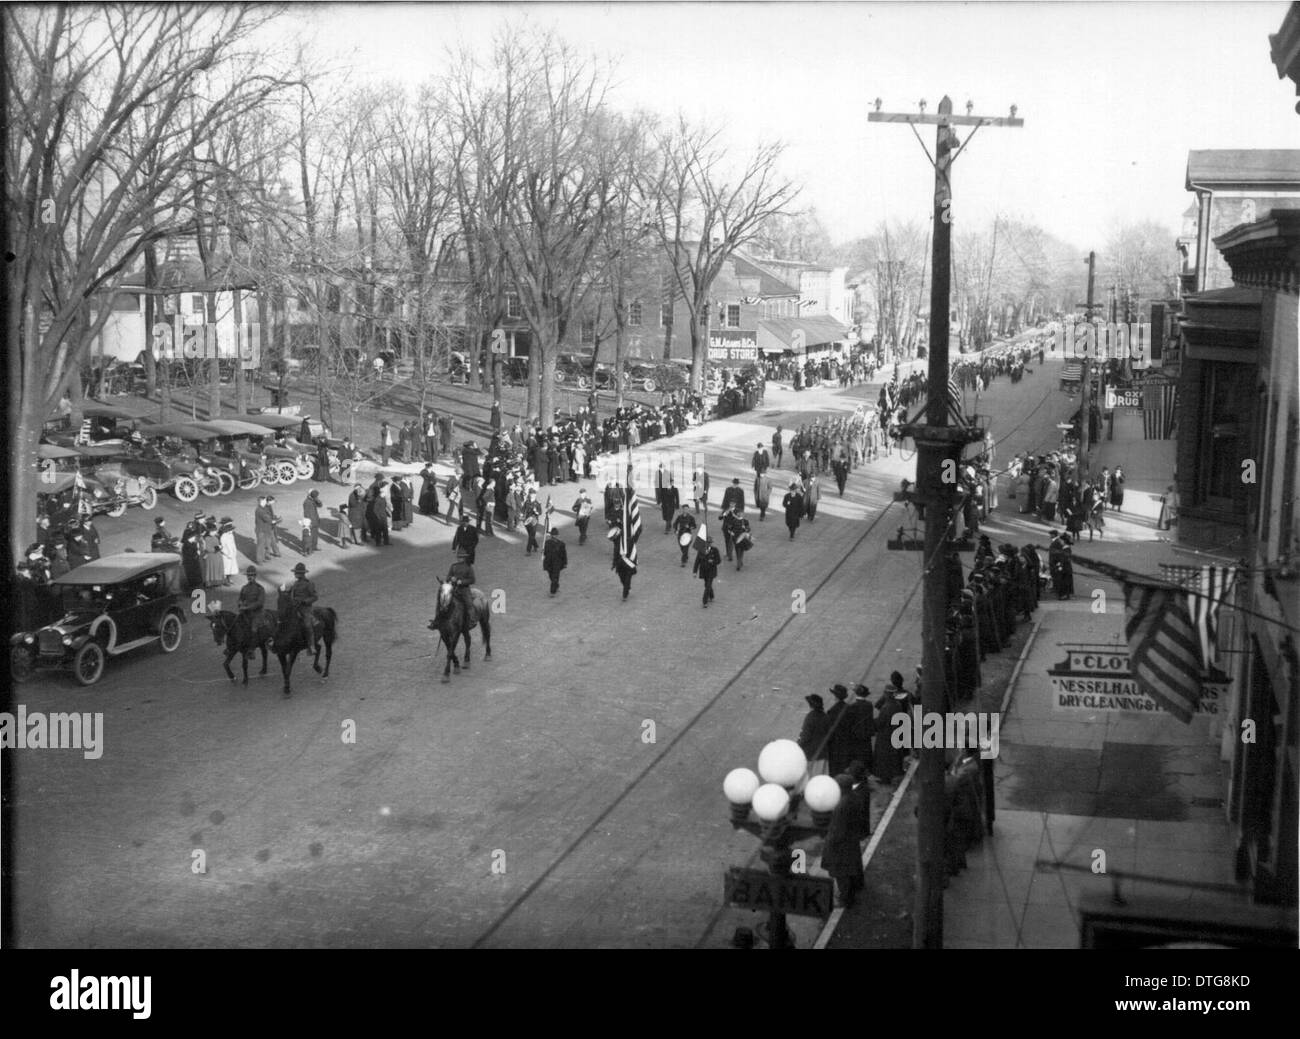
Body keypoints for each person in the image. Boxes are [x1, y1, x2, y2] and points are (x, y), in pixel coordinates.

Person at [821, 772, 866, 908]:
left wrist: (829, 843)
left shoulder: (842, 806)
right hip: (852, 841)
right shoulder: (855, 797)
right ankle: (852, 891)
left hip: (841, 845)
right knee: (851, 869)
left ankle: (845, 899)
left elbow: (837, 831)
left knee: (841, 872)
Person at [287, 562, 319, 655]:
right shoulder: (295, 584)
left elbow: (315, 597)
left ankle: (311, 646)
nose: (295, 574)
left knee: (307, 625)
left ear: (302, 574)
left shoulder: (309, 584)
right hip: (294, 607)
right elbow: (292, 594)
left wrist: (305, 601)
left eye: (297, 572)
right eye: (295, 572)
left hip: (305, 608)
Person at [797, 694, 831, 777]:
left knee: (811, 777)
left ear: (810, 705)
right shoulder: (825, 717)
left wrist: (797, 745)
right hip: (823, 753)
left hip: (811, 754)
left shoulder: (810, 717)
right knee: (822, 777)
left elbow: (805, 737)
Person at [447, 549, 477, 618]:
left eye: (461, 557)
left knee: (469, 603)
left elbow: (472, 580)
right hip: (453, 588)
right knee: (444, 601)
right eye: (458, 557)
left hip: (464, 589)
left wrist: (462, 582)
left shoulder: (468, 567)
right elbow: (448, 577)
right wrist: (451, 579)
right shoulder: (453, 566)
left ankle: (472, 618)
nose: (459, 559)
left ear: (464, 558)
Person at [609, 521, 636, 599]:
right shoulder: (617, 544)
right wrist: (614, 564)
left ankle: (625, 594)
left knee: (627, 578)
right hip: (620, 563)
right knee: (621, 578)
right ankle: (627, 588)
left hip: (628, 562)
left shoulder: (627, 539)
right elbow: (615, 554)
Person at [237, 565, 266, 635]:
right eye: (248, 575)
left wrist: (247, 607)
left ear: (255, 576)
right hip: (245, 613)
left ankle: (254, 643)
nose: (249, 577)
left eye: (252, 575)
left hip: (256, 613)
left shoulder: (260, 588)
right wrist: (240, 603)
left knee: (254, 629)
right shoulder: (244, 588)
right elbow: (240, 598)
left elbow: (260, 602)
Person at [694, 534, 721, 607]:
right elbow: (697, 561)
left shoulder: (715, 550)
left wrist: (712, 561)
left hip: (711, 571)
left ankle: (704, 602)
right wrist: (694, 572)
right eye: (707, 543)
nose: (708, 544)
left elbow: (719, 560)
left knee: (708, 586)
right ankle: (711, 595)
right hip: (703, 571)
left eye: (709, 543)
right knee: (707, 585)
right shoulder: (701, 551)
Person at [542, 527, 567, 596]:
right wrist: (543, 552)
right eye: (553, 535)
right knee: (551, 576)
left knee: (555, 577)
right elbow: (545, 553)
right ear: (551, 535)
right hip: (548, 562)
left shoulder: (561, 544)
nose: (554, 536)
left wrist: (565, 563)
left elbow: (564, 554)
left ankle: (552, 592)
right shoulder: (547, 543)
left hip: (557, 563)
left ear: (557, 535)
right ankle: (556, 585)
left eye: (555, 535)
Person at [219, 516, 238, 584]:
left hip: (232, 553)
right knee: (226, 567)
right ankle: (225, 580)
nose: (232, 531)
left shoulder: (231, 535)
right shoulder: (223, 537)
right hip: (226, 555)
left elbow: (233, 544)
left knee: (231, 567)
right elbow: (223, 547)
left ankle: (229, 578)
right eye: (231, 530)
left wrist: (234, 551)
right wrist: (227, 553)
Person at [522, 490, 543, 554]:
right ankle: (536, 546)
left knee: (531, 536)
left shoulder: (537, 503)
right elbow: (523, 509)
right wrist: (521, 514)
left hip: (534, 521)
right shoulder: (527, 501)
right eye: (531, 494)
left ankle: (528, 551)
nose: (531, 495)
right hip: (527, 520)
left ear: (535, 495)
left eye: (533, 494)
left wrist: (536, 511)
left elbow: (540, 512)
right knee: (531, 535)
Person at [302, 490, 321, 556]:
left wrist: (318, 500)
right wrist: (308, 523)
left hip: (315, 520)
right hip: (310, 521)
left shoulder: (313, 500)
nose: (317, 497)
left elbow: (320, 505)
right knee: (310, 536)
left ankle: (314, 547)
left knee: (315, 535)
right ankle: (308, 549)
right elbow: (306, 514)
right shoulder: (307, 502)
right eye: (316, 496)